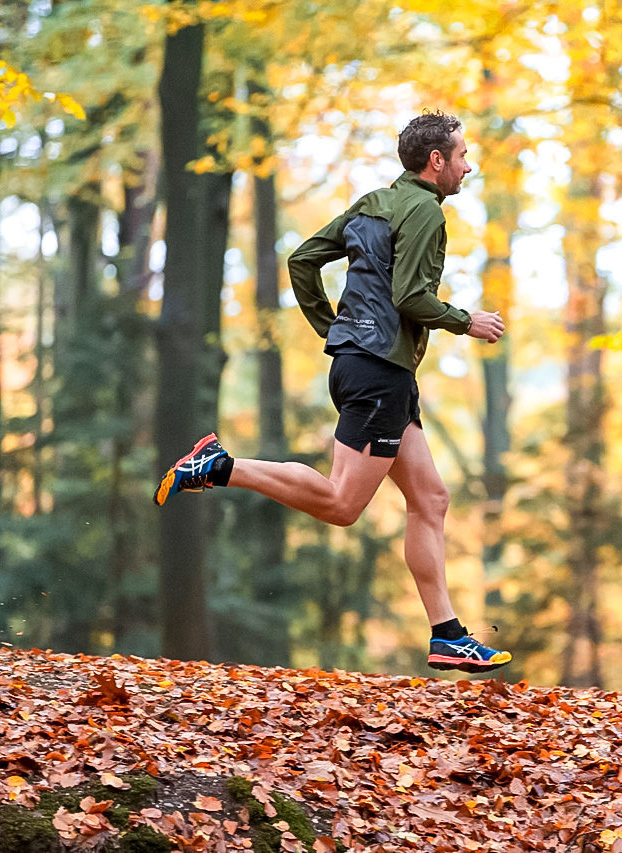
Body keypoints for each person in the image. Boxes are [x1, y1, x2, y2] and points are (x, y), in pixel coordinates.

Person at [152, 111, 511, 674]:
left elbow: (303, 261)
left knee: (431, 499)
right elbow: (412, 297)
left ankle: (447, 635)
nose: (469, 165)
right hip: (378, 373)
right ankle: (221, 468)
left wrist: (336, 331)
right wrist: (468, 321)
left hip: (371, 368)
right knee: (343, 503)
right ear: (435, 161)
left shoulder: (373, 202)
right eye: (462, 155)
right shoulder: (424, 213)